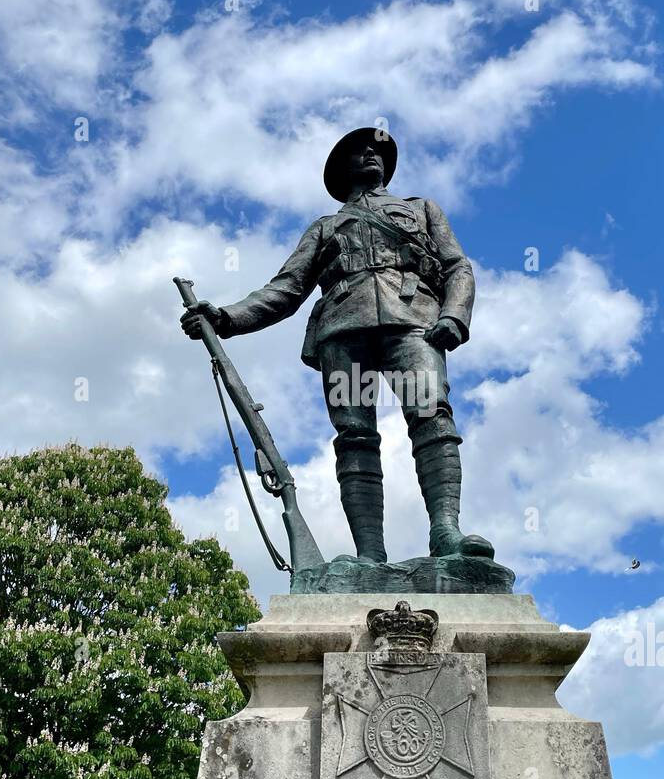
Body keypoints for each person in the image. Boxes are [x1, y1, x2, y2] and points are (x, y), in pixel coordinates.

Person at [180, 128, 493, 566]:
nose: (370, 154)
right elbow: (286, 291)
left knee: (431, 415)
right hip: (344, 331)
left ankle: (446, 531)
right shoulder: (325, 227)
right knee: (355, 436)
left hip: (414, 323)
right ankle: (370, 554)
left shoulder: (421, 210)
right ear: (339, 170)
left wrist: (454, 315)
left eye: (376, 151)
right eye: (358, 151)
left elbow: (457, 266)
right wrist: (226, 318)